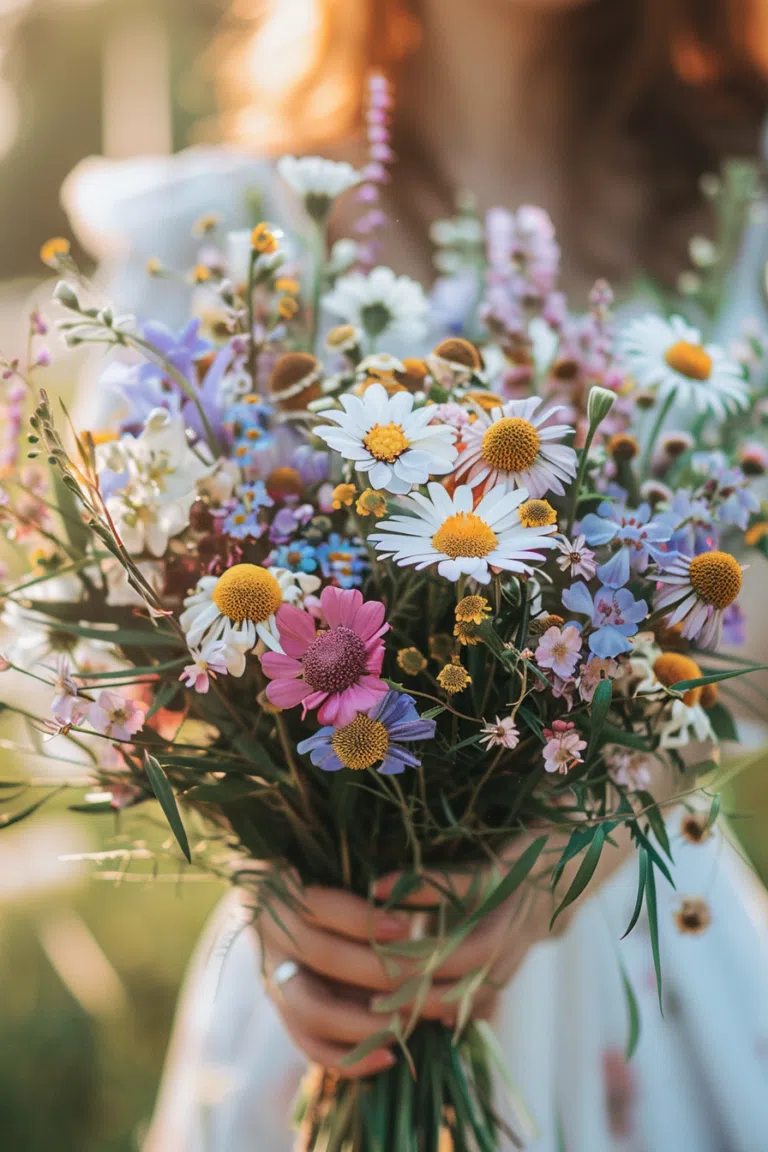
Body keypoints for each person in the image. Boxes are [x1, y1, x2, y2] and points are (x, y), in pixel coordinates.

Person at [63, 2, 768, 1148]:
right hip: (326, 984)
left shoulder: (742, 201)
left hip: (655, 975)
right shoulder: (231, 225)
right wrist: (282, 841)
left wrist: (602, 815)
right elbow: (128, 636)